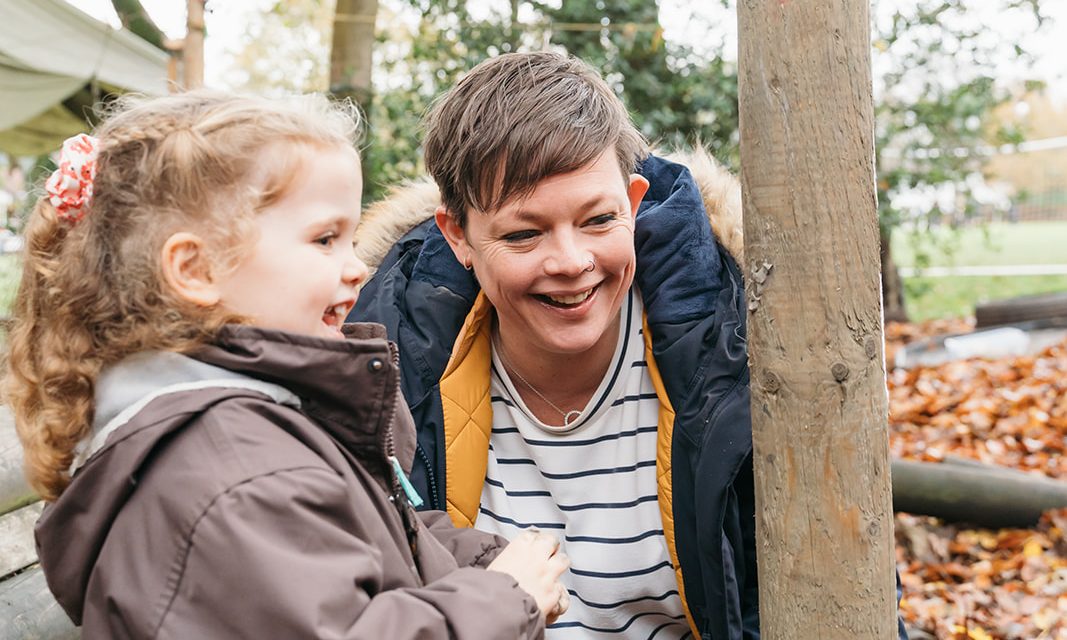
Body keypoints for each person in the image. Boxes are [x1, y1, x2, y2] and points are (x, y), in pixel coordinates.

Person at [5, 90, 570, 639]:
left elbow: (360, 541)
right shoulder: (233, 473)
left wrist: (486, 562)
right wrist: (504, 600)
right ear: (196, 269)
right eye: (325, 239)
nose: (355, 269)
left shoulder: (251, 431)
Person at [351, 51, 755, 639]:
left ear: (634, 203)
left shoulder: (739, 343)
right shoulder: (380, 373)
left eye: (598, 220)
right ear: (458, 236)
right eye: (523, 234)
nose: (570, 262)